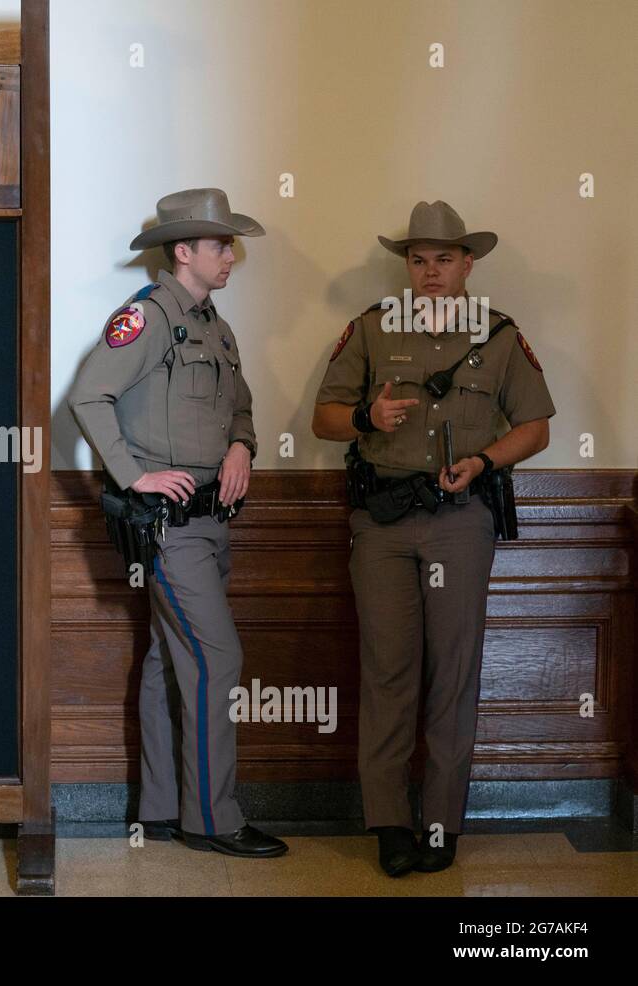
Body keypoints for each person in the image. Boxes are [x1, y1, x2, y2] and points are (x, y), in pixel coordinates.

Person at [311, 201, 554, 875]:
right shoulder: (371, 329)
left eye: (444, 259)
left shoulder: (500, 336)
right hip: (382, 523)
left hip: (460, 524)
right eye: (418, 260)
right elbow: (323, 418)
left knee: (452, 673)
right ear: (407, 266)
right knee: (387, 670)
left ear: (468, 263)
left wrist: (483, 462)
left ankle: (441, 824)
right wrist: (367, 415)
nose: (430, 271)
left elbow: (536, 426)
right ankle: (389, 823)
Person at [69, 188, 287, 858]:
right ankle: (213, 820)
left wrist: (243, 445)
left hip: (210, 521)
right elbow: (87, 394)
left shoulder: (214, 326)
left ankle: (161, 808)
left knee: (173, 658)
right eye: (221, 244)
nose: (231, 255)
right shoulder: (150, 318)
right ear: (184, 250)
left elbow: (240, 409)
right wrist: (133, 475)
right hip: (168, 525)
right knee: (218, 658)